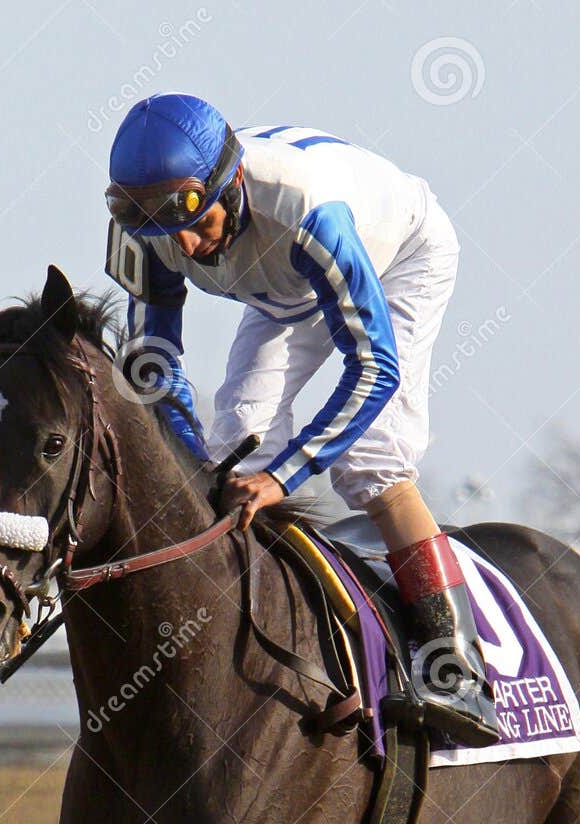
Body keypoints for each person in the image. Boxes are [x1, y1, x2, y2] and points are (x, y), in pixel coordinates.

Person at [104, 92, 499, 745]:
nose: (180, 244)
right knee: (237, 441)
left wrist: (286, 477)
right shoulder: (147, 230)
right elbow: (153, 367)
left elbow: (374, 369)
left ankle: (458, 673)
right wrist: (194, 467)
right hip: (282, 285)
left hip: (395, 257)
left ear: (229, 188)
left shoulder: (307, 208)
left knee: (370, 457)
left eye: (190, 218)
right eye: (154, 226)